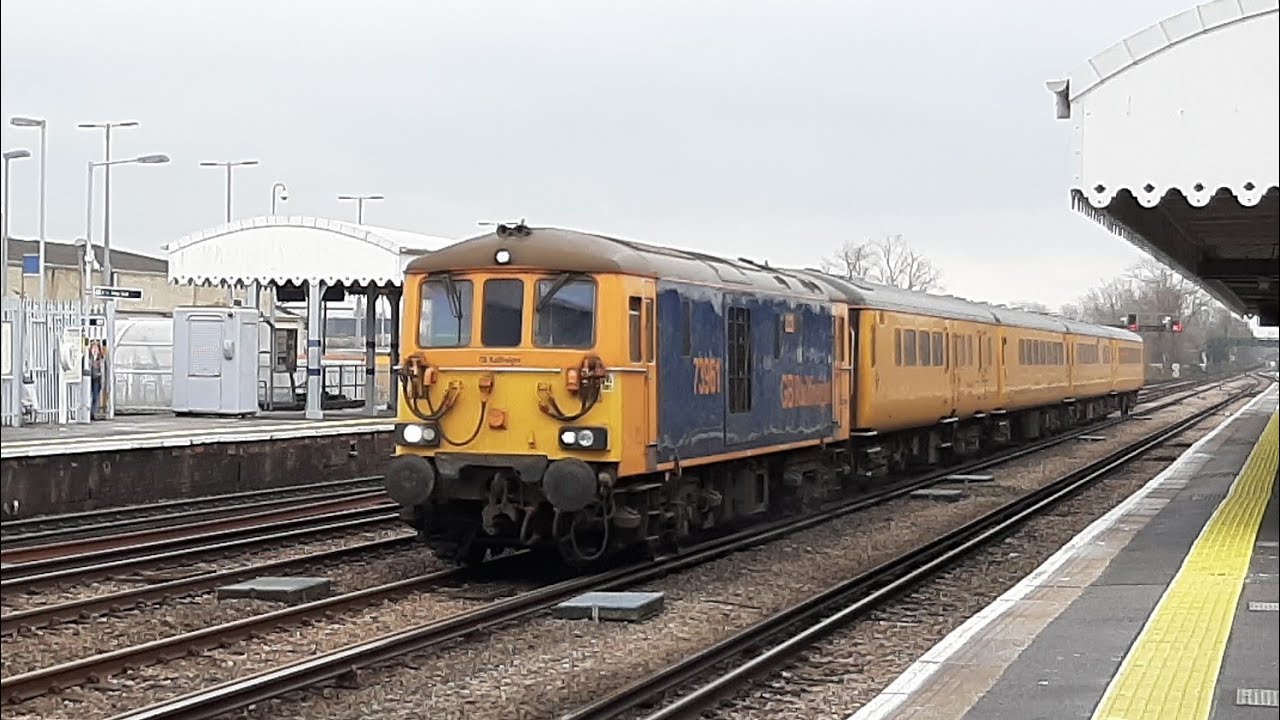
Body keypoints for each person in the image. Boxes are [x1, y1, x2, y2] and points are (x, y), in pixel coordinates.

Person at [88, 340, 105, 420]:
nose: (95, 349)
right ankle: (90, 412)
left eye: (96, 347)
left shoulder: (100, 358)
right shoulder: (88, 357)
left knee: (95, 396)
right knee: (90, 395)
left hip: (97, 379)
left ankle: (93, 412)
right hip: (90, 377)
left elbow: (102, 368)